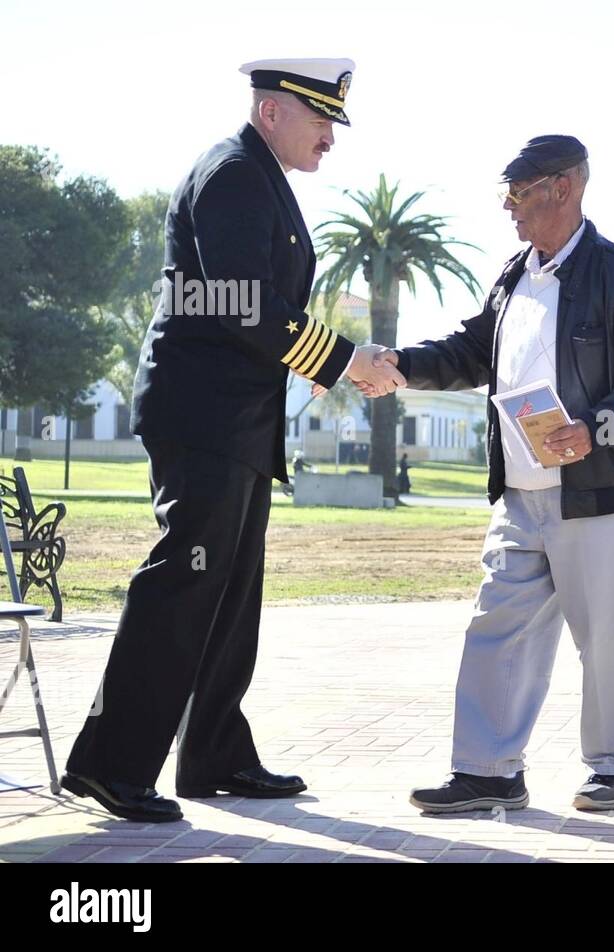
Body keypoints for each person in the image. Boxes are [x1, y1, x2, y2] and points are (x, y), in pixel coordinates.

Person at [61, 58, 405, 823]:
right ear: (274, 110)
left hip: (236, 421)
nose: (331, 138)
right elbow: (245, 307)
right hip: (203, 418)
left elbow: (261, 309)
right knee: (184, 579)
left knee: (229, 592)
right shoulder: (234, 175)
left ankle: (215, 753)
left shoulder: (257, 177)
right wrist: (344, 359)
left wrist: (315, 361)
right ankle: (111, 766)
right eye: (322, 120)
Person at [380, 135, 614, 814]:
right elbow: (469, 351)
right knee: (497, 627)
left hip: (596, 494)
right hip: (520, 493)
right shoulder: (515, 275)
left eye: (521, 193)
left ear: (565, 188)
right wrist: (399, 363)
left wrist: (596, 427)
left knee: (605, 641)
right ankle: (489, 771)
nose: (509, 208)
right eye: (506, 194)